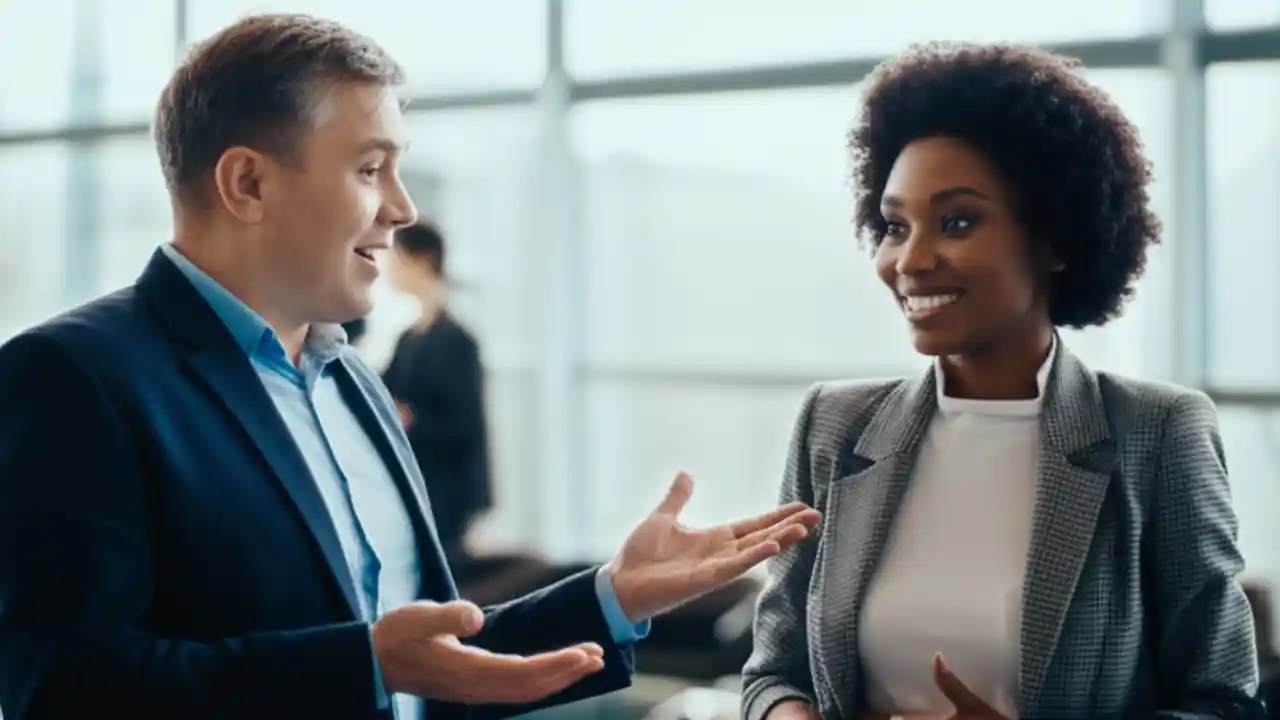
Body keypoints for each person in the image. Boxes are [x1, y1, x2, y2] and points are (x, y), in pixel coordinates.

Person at [0, 14, 820, 720]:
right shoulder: (72, 378)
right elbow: (63, 692)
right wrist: (360, 664)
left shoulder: (348, 378)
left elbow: (432, 659)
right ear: (247, 182)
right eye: (369, 168)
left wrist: (615, 596)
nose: (403, 206)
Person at [743, 43, 1261, 720]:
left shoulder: (1158, 433)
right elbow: (771, 675)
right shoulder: (835, 426)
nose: (911, 260)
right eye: (895, 226)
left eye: (957, 221)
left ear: (1056, 240)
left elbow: (1223, 702)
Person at [382, 221, 491, 571]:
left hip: (447, 488)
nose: (391, 271)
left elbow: (467, 425)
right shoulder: (409, 338)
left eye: (397, 260)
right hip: (417, 482)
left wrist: (410, 420)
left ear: (423, 260)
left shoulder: (457, 341)